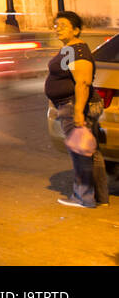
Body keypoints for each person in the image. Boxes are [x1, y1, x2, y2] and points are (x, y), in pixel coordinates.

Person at [45, 11, 98, 208]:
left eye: (63, 25)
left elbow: (82, 82)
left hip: (72, 105)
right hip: (66, 105)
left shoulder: (77, 50)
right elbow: (65, 75)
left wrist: (77, 112)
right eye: (56, 25)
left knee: (80, 152)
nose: (58, 28)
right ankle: (92, 197)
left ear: (76, 30)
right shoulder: (69, 49)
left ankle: (84, 198)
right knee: (82, 150)